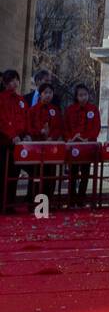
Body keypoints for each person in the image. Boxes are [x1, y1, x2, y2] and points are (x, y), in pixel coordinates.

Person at [63, 82, 101, 207]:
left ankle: (81, 198)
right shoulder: (70, 110)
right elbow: (66, 127)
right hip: (73, 146)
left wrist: (89, 139)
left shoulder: (93, 109)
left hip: (87, 146)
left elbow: (96, 127)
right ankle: (71, 199)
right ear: (76, 96)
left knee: (85, 174)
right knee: (73, 174)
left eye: (85, 94)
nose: (83, 97)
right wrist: (70, 138)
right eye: (80, 95)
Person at [27, 79, 63, 206]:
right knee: (36, 175)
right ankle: (34, 203)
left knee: (50, 175)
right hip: (37, 147)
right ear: (40, 94)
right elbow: (29, 127)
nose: (48, 95)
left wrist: (52, 137)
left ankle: (48, 202)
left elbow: (58, 127)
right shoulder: (33, 110)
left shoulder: (55, 110)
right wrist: (39, 132)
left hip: (51, 147)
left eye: (50, 92)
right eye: (45, 92)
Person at [0, 69, 29, 211]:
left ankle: (11, 203)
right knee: (3, 173)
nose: (14, 83)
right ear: (5, 82)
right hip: (4, 142)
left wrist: (24, 134)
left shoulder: (21, 100)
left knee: (14, 174)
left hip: (18, 143)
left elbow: (24, 119)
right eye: (11, 80)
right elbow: (3, 121)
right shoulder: (1, 99)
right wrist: (12, 135)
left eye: (16, 79)